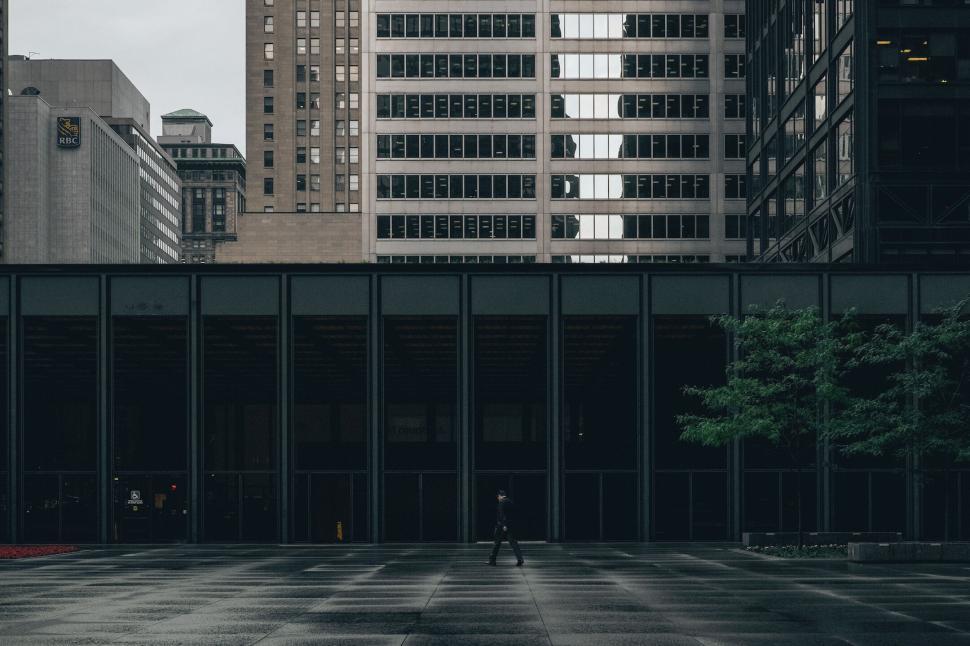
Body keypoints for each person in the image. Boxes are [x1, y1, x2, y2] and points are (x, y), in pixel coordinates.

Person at [487, 490, 524, 566]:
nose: (498, 499)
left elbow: (501, 514)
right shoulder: (510, 502)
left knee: (497, 543)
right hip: (510, 525)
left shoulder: (501, 503)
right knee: (513, 543)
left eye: (498, 497)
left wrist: (504, 525)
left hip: (502, 526)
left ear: (500, 496)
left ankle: (492, 560)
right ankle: (520, 558)